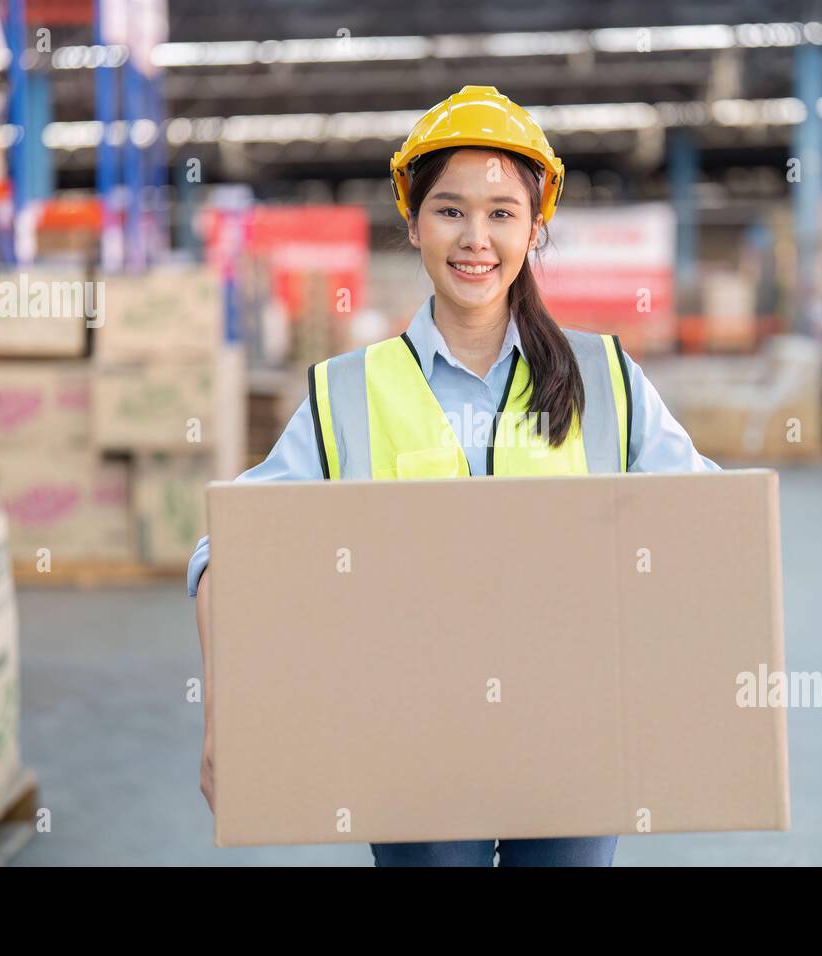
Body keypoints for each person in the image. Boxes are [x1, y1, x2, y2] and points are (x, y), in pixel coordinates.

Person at [190, 85, 718, 867]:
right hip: (410, 741)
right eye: (450, 210)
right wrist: (223, 717)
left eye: (503, 212)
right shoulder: (347, 392)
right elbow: (225, 553)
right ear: (412, 221)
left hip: (572, 735)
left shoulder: (606, 379)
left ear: (536, 228)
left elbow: (711, 525)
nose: (477, 238)